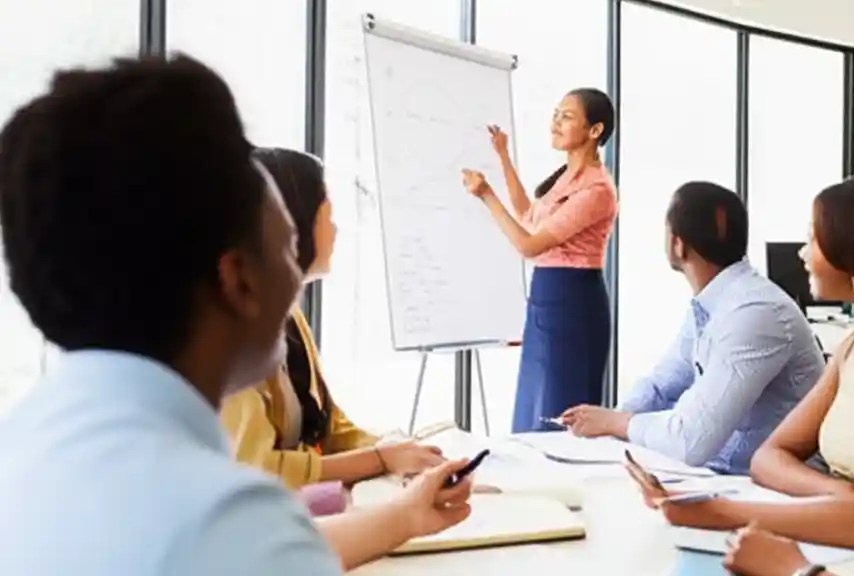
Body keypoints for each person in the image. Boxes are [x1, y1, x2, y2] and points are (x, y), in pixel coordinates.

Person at [0, 56, 472, 575]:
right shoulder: (220, 522)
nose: (294, 275)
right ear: (237, 279)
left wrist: (403, 517)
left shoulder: (30, 449)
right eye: (286, 246)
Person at [633, 176, 854, 570]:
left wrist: (717, 511)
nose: (802, 254)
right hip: (849, 547)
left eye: (812, 240)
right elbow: (768, 458)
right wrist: (837, 490)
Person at [561, 182, 825, 474]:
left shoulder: (755, 312)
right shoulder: (713, 302)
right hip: (725, 475)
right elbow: (662, 384)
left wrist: (615, 423)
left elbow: (691, 441)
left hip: (773, 487)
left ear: (677, 243)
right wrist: (610, 419)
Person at [221, 147, 444, 490]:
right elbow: (257, 468)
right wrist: (380, 459)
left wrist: (399, 452)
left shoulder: (290, 316)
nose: (336, 230)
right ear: (292, 223)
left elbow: (329, 425)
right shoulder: (230, 336)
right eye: (327, 214)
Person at [461, 88, 617, 433]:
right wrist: (502, 155)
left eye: (567, 116)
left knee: (558, 414)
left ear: (595, 131)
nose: (556, 122)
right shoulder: (565, 178)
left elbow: (528, 244)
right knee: (533, 409)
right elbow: (527, 214)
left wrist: (486, 195)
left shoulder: (597, 190)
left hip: (573, 301)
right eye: (555, 113)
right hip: (547, 297)